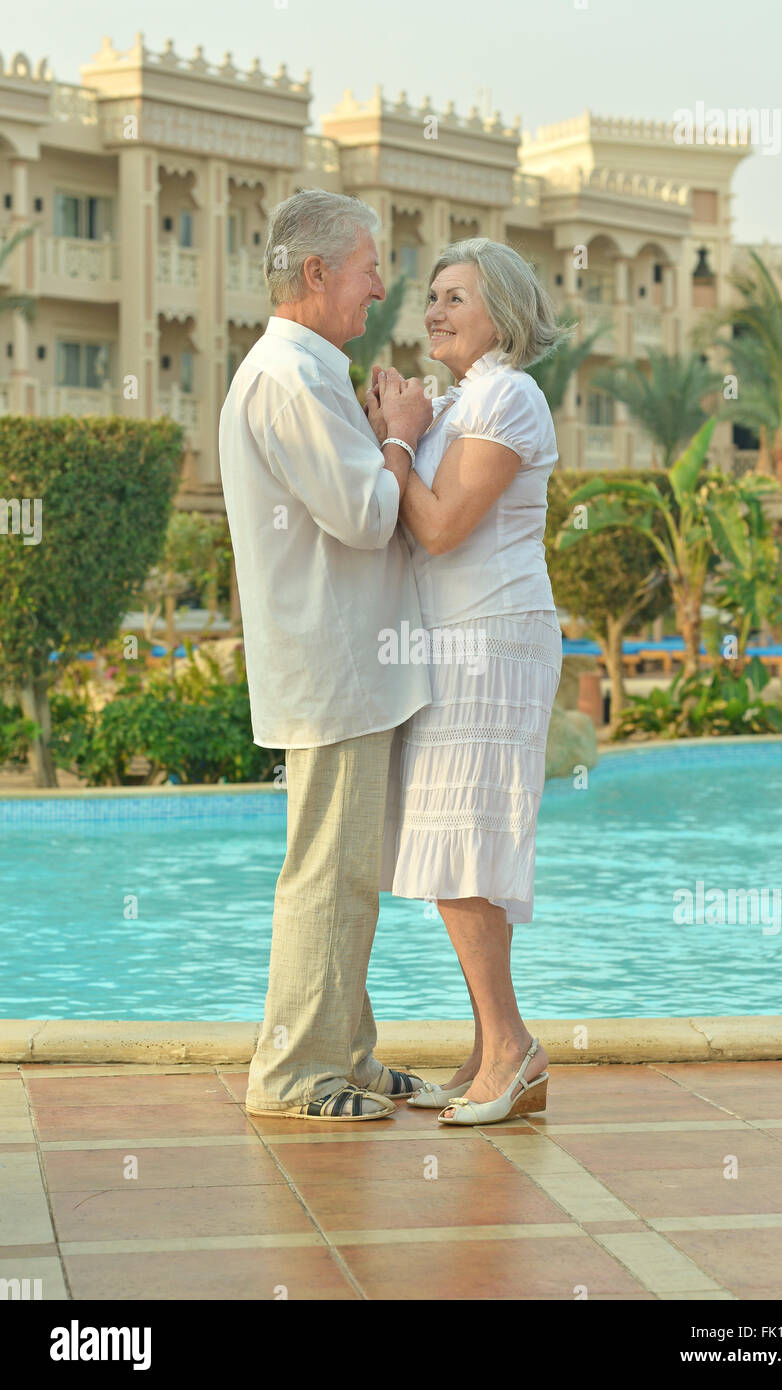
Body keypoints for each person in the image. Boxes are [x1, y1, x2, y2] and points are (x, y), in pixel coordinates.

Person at [218, 188, 433, 1121]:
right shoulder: (290, 377)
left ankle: (342, 1051)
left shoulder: (306, 370)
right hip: (334, 665)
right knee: (325, 871)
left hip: (346, 663)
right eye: (368, 267)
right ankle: (293, 1074)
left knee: (344, 870)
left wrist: (379, 429)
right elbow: (365, 514)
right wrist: (401, 435)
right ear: (315, 273)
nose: (381, 288)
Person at [371, 237, 564, 1125]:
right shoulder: (464, 399)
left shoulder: (507, 394)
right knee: (456, 842)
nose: (434, 310)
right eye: (432, 296)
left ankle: (513, 1049)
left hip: (492, 637)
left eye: (456, 297)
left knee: (468, 845)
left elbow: (441, 527)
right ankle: (492, 1048)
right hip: (453, 641)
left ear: (504, 312)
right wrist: (406, 430)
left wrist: (398, 442)